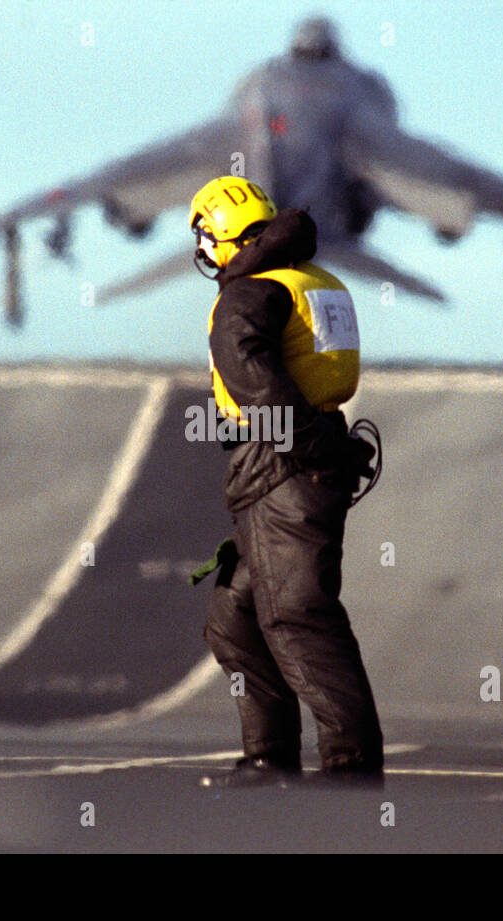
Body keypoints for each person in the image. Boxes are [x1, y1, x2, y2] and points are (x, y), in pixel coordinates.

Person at [187, 175, 384, 787]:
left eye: (204, 238)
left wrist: (306, 450)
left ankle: (351, 768)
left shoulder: (248, 296)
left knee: (296, 613)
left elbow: (256, 383)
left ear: (218, 236)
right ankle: (269, 756)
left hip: (285, 467)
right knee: (235, 614)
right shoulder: (315, 281)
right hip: (303, 456)